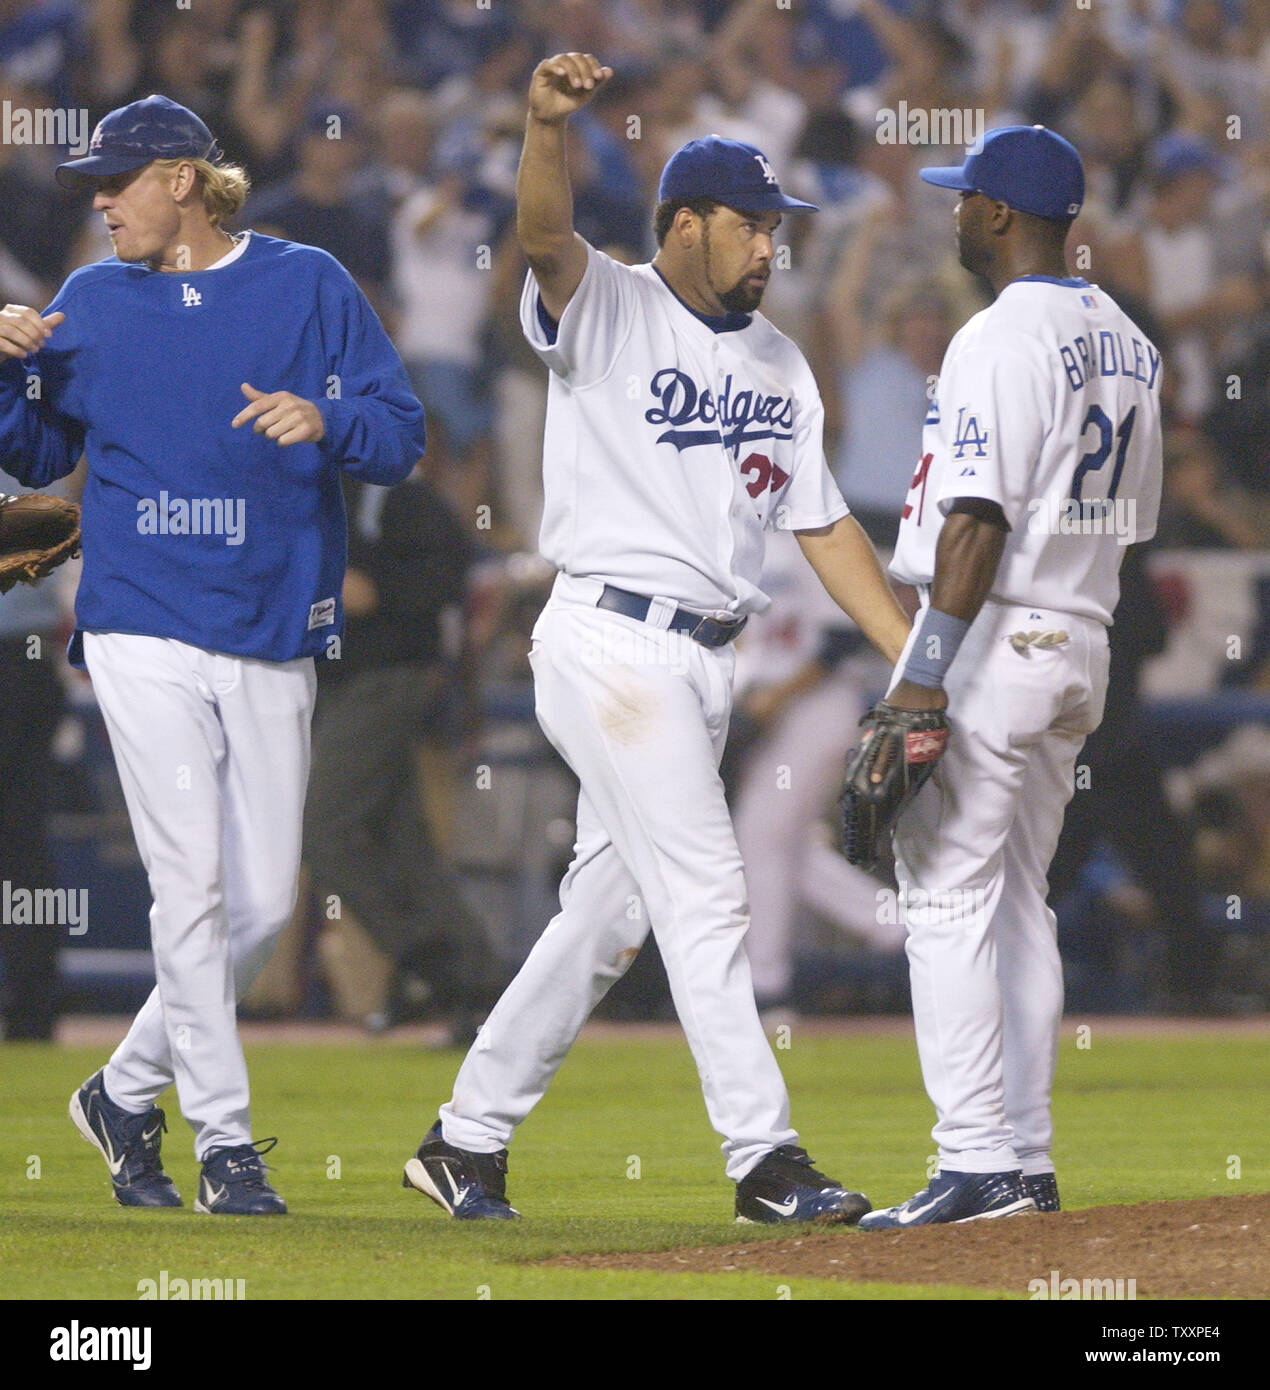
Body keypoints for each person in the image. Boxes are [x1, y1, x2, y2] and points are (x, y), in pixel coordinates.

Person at [400, 52, 911, 1224]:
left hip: (706, 658)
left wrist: (911, 651)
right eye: (750, 226)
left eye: (778, 228)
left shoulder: (780, 361)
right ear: (682, 223)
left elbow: (824, 525)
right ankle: (763, 1158)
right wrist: (544, 128)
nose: (770, 247)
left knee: (610, 917)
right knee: (707, 886)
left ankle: (463, 1138)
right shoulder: (613, 301)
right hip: (609, 642)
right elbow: (541, 236)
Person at [0, 94, 425, 1214]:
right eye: (94, 181)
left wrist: (327, 418)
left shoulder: (308, 284)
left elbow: (401, 432)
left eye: (118, 179)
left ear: (182, 178)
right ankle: (225, 1146)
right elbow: (38, 458)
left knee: (264, 908)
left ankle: (123, 1089)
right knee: (188, 890)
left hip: (273, 621)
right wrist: (5, 369)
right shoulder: (88, 300)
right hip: (138, 620)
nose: (99, 200)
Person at [856, 126, 1163, 1229]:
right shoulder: (1131, 341)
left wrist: (920, 676)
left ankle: (976, 1159)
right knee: (1018, 903)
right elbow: (1130, 522)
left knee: (942, 895)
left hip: (995, 634)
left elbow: (976, 518)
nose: (951, 211)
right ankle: (1024, 1163)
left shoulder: (996, 333)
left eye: (963, 197)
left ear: (997, 214)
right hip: (1082, 633)